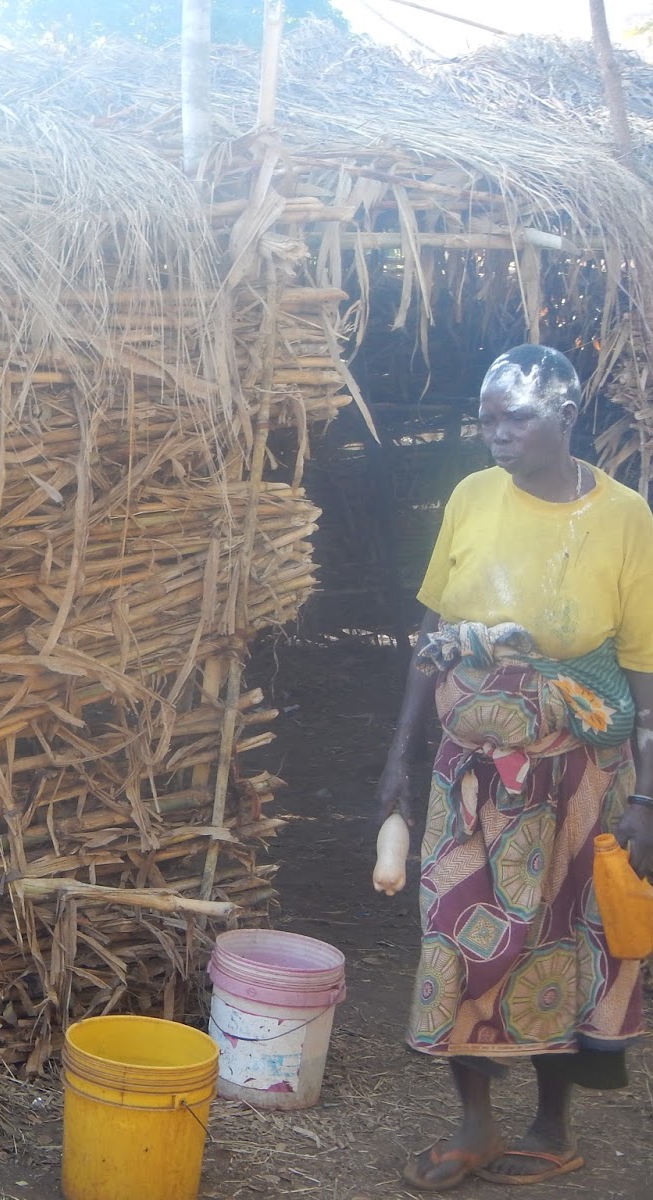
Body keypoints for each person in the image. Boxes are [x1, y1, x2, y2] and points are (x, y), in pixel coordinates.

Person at [376, 344, 653, 1191]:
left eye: (517, 418)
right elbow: (431, 633)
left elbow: (642, 664)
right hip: (470, 779)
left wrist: (647, 791)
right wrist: (398, 758)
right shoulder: (471, 497)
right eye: (487, 418)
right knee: (458, 933)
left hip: (579, 779)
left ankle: (551, 1127)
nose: (496, 435)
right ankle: (473, 1124)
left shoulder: (624, 517)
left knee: (564, 946)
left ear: (566, 416)